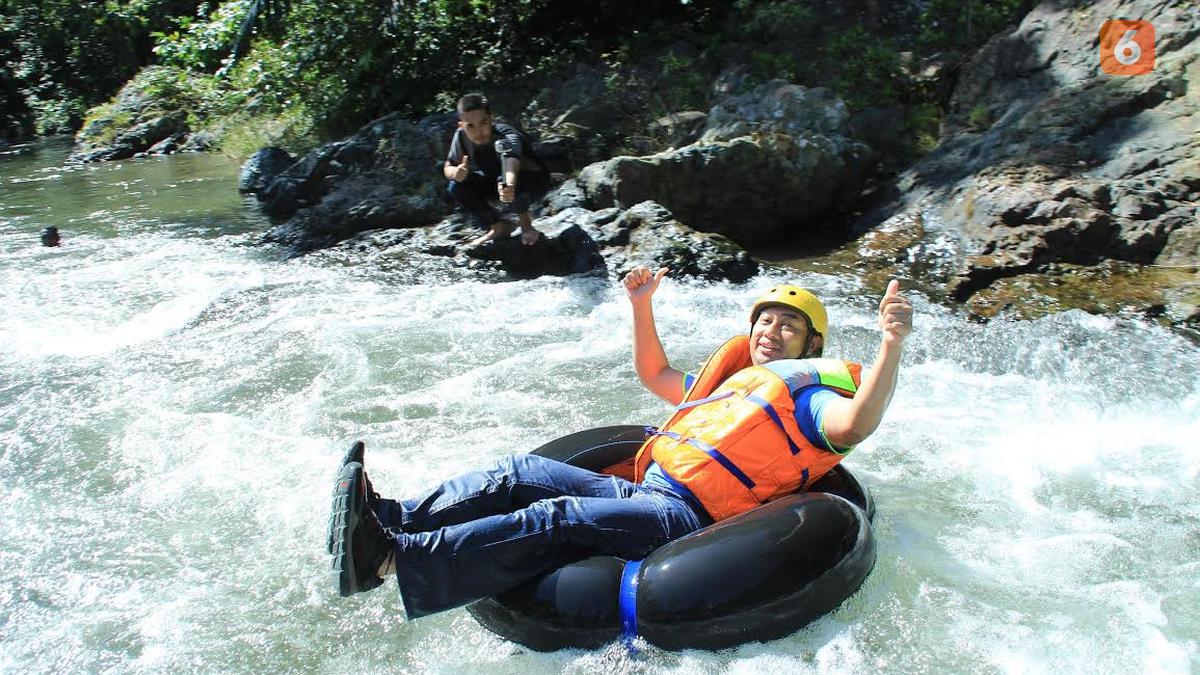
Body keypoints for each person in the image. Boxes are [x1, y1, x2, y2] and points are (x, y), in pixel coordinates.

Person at [328, 268, 912, 619]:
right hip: (646, 488)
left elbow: (857, 422)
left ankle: (386, 562)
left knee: (558, 516)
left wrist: (890, 344)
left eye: (789, 327)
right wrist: (641, 305)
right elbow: (656, 375)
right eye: (766, 320)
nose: (772, 332)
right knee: (519, 472)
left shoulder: (809, 401)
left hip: (684, 516)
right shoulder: (733, 386)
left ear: (810, 346)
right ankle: (390, 518)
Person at [444, 93, 550, 248]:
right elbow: (448, 166)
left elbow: (511, 162)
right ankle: (499, 226)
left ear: (491, 118)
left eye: (483, 123)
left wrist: (509, 184)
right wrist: (456, 173)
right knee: (456, 185)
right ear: (461, 125)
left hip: (533, 180)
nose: (478, 131)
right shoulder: (460, 137)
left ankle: (526, 224)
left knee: (503, 178)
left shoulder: (506, 135)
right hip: (496, 179)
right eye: (470, 126)